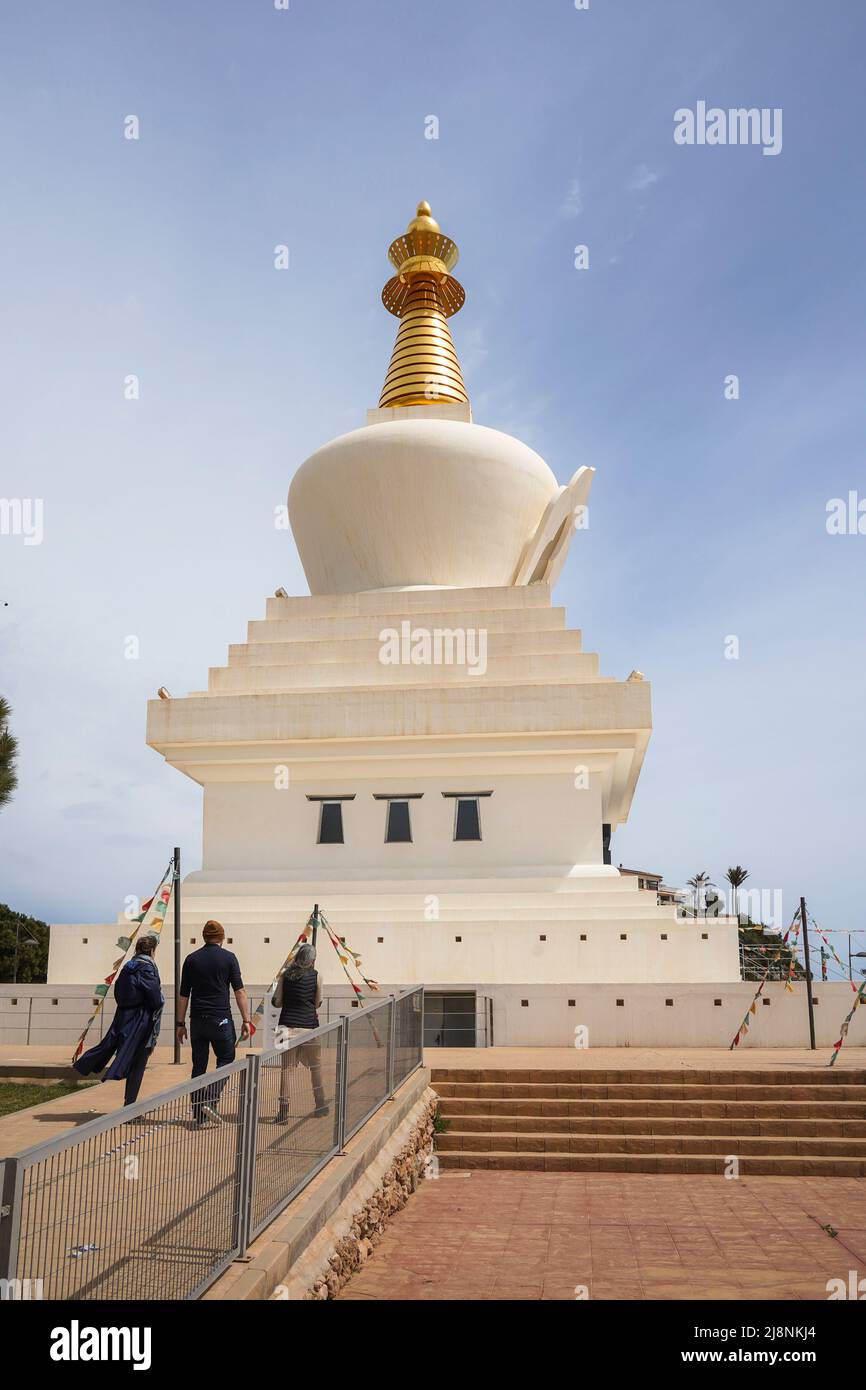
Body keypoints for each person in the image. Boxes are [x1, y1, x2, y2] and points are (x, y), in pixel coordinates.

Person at [73, 935, 163, 1108]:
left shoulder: (127, 968)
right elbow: (155, 999)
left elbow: (119, 994)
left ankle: (129, 1104)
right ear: (151, 951)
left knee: (123, 1052)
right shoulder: (147, 969)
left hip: (124, 1017)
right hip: (141, 1021)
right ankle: (130, 1106)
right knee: (138, 1063)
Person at [176, 920, 251, 1124]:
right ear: (222, 938)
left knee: (198, 1065)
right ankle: (210, 1098)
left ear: (204, 937)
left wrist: (180, 1024)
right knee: (226, 1058)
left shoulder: (191, 959)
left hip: (197, 1020)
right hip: (221, 1018)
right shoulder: (229, 958)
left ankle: (200, 1115)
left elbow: (183, 996)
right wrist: (246, 1020)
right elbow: (239, 991)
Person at [272, 943, 328, 1122]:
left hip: (284, 1027)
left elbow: (277, 1002)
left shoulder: (285, 975)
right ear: (312, 960)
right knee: (315, 1068)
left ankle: (283, 1112)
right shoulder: (317, 976)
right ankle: (320, 1105)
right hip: (309, 1027)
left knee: (286, 1069)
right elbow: (318, 1002)